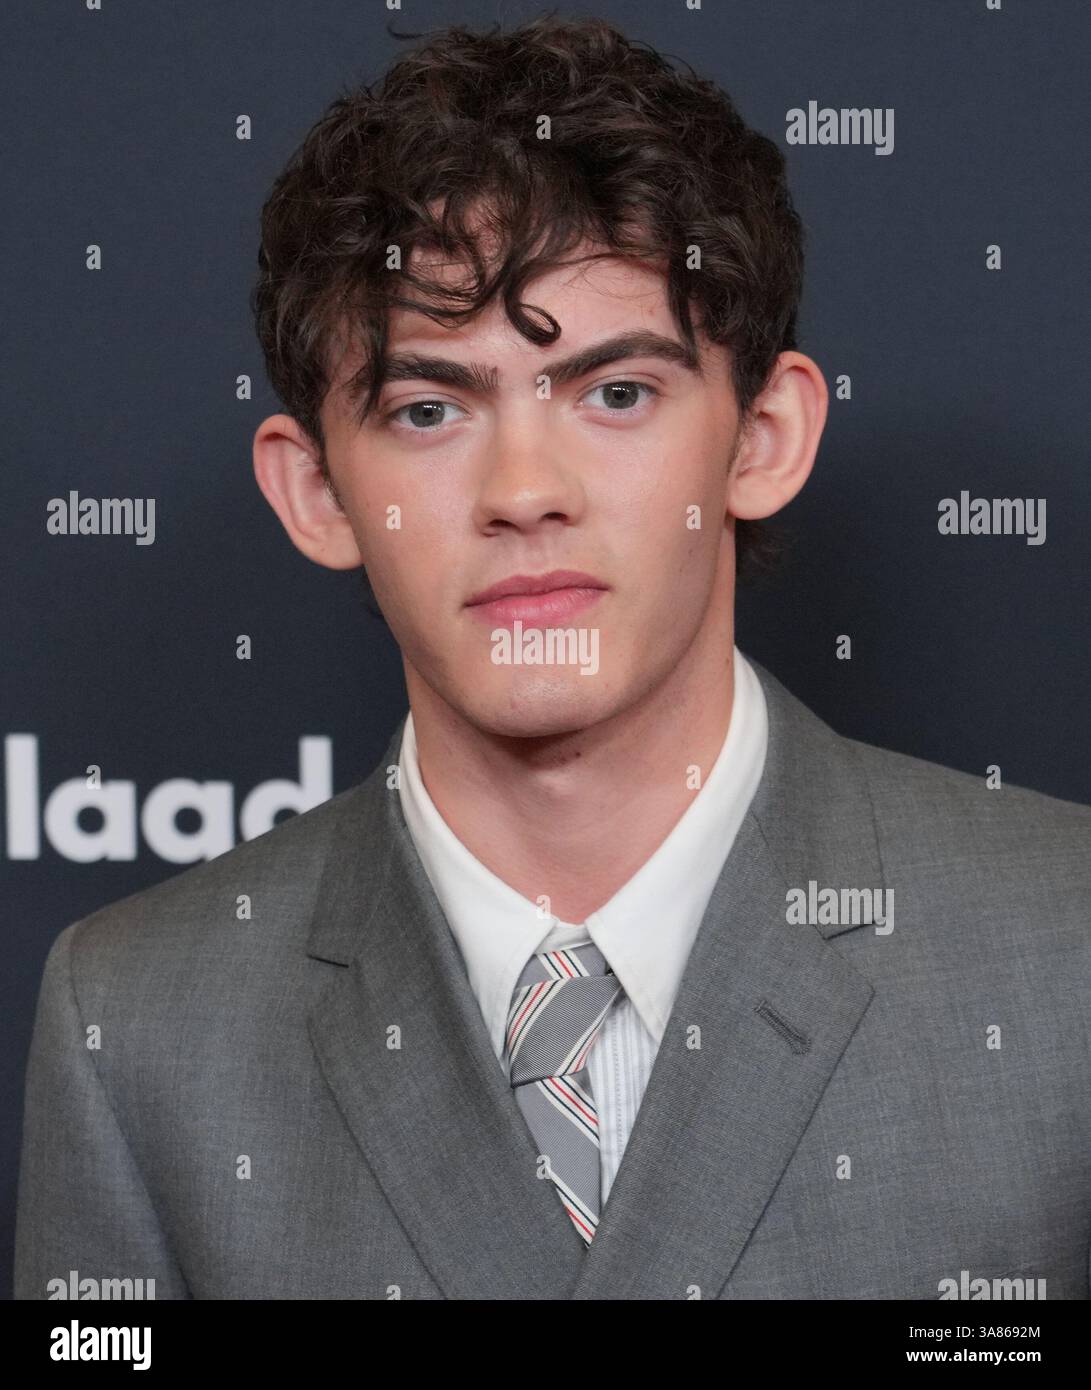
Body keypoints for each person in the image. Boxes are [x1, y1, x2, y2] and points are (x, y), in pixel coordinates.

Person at [15, 15, 1090, 1301]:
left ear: (761, 437)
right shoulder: (136, 1026)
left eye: (615, 393)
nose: (524, 490)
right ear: (315, 494)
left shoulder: (1062, 952)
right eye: (428, 410)